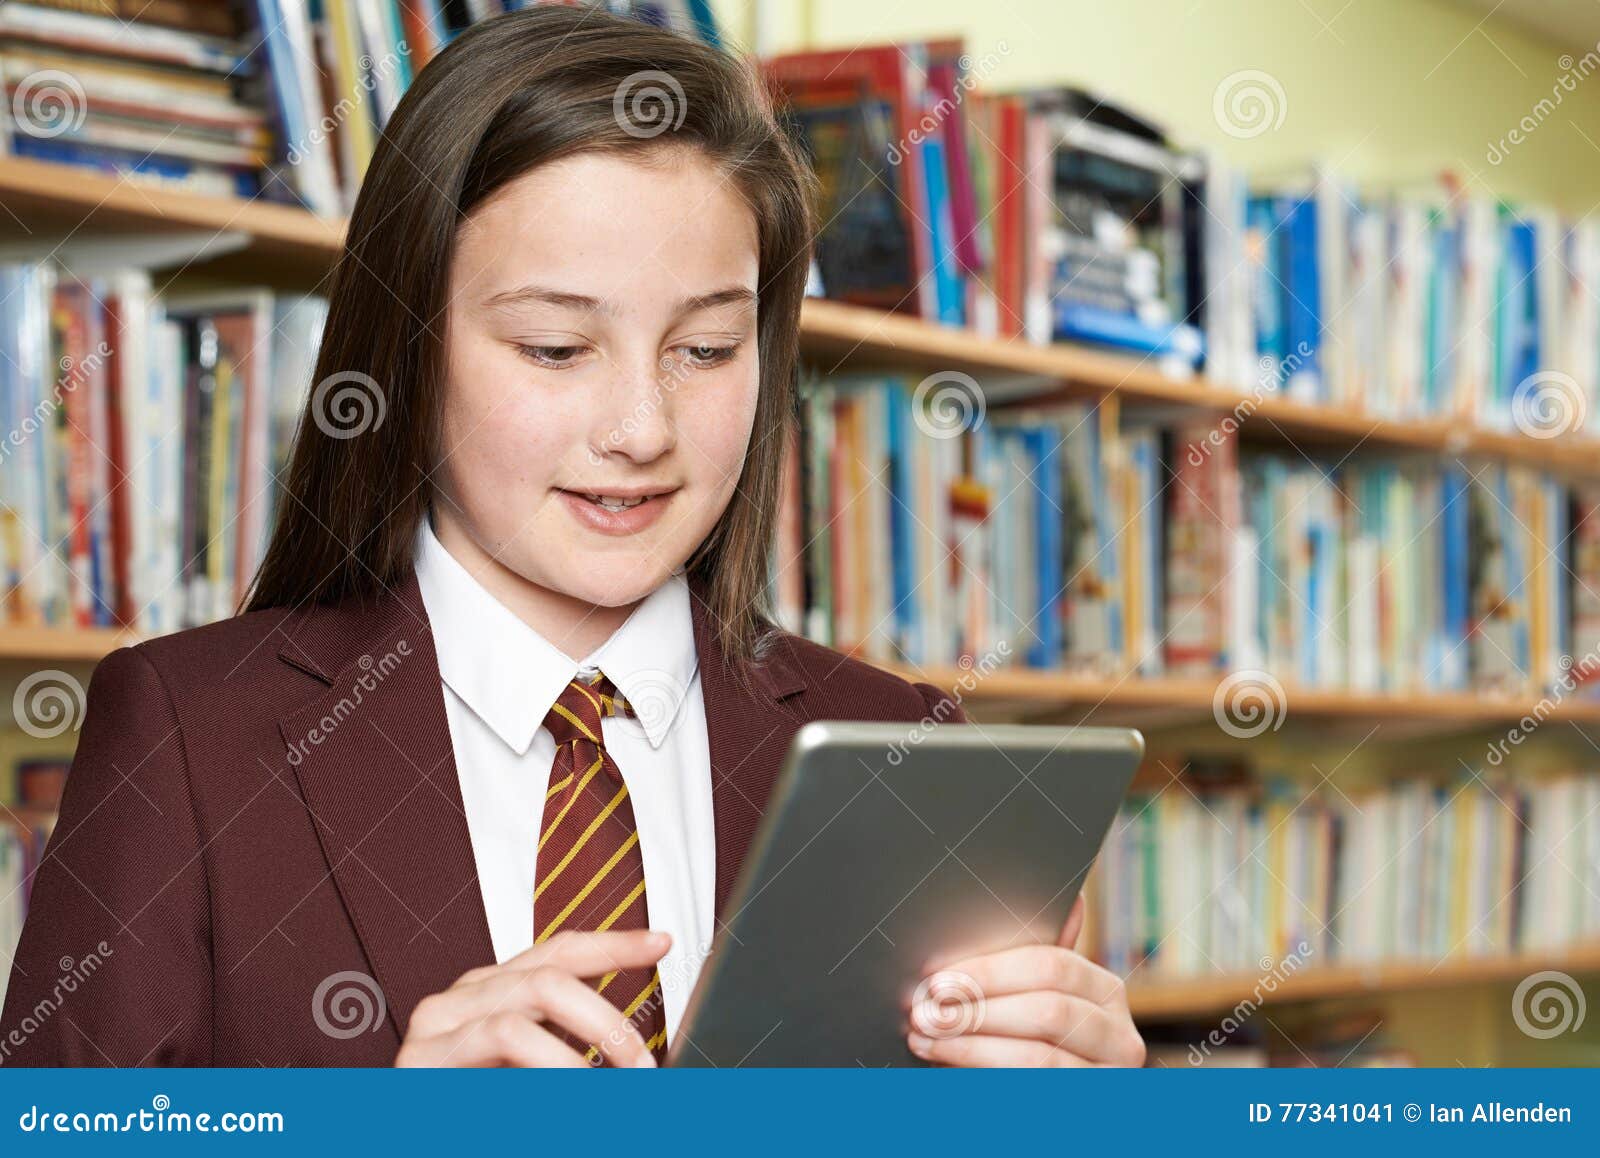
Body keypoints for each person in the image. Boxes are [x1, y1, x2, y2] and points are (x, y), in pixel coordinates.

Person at [0, 6, 1143, 1069]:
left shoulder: (900, 744)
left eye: (703, 350)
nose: (642, 431)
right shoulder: (190, 736)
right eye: (555, 347)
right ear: (407, 349)